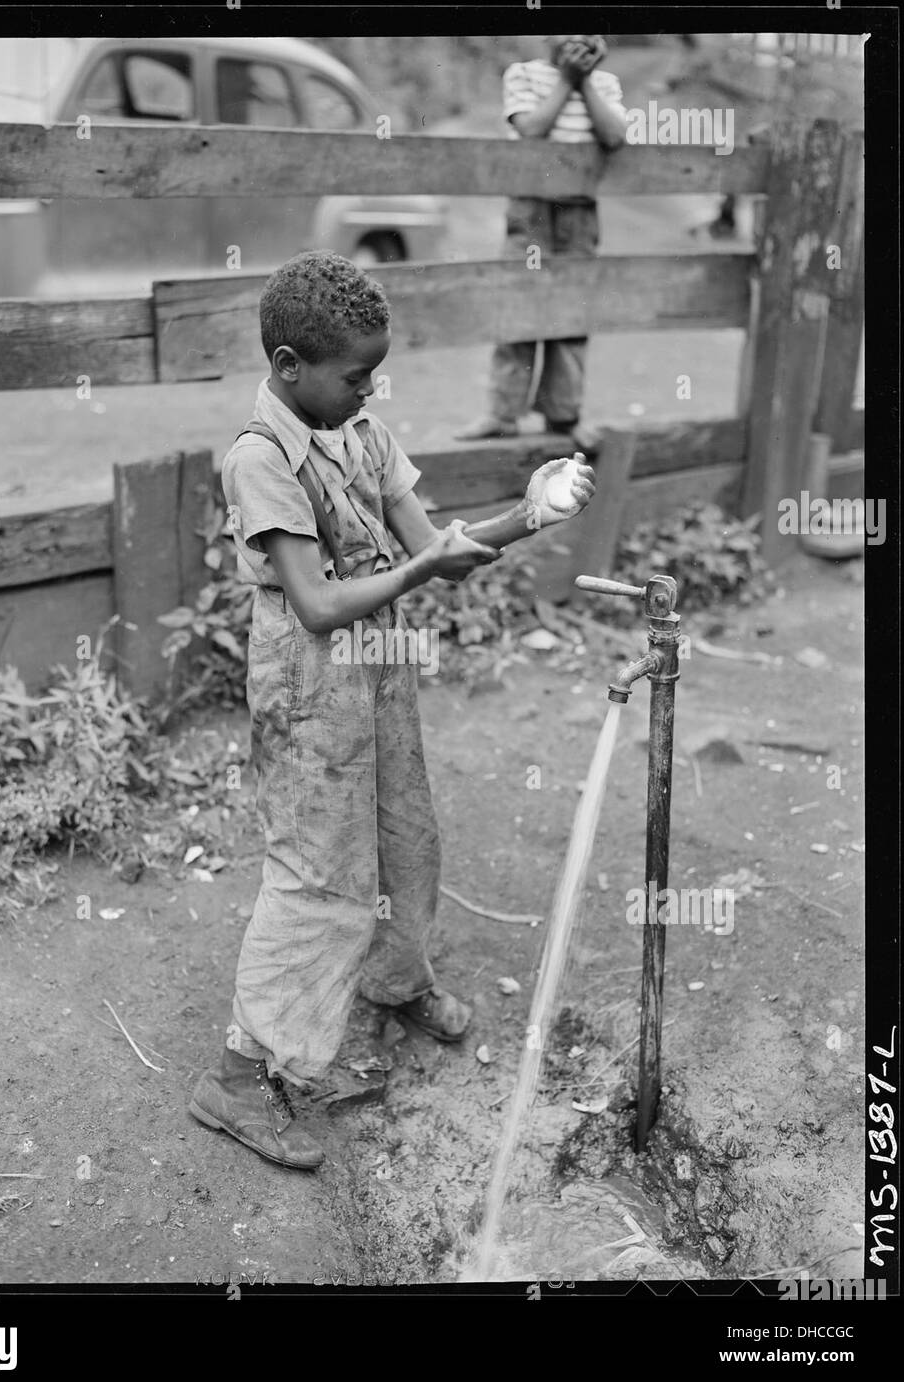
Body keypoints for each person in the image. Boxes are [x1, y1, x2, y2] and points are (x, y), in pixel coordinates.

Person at [190, 250, 595, 1170]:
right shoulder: (259, 461)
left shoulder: (361, 433)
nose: (372, 386)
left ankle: (393, 977)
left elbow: (431, 541)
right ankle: (239, 1077)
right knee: (317, 875)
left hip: (378, 668)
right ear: (290, 366)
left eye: (376, 369)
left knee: (407, 834)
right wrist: (419, 571)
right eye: (355, 373)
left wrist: (529, 514)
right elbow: (319, 603)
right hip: (308, 680)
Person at [457, 35, 628, 445]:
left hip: (579, 211)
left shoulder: (605, 84)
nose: (576, 38)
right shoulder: (524, 75)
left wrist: (584, 82)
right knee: (519, 303)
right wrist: (566, 80)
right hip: (530, 207)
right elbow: (531, 128)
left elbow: (614, 135)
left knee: (571, 310)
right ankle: (503, 413)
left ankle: (564, 415)